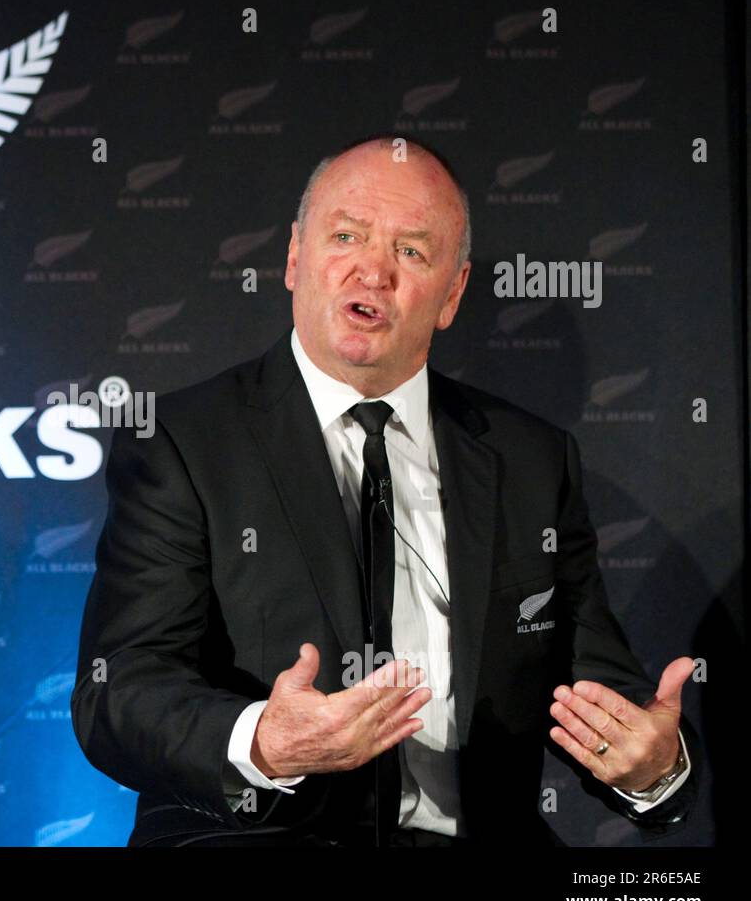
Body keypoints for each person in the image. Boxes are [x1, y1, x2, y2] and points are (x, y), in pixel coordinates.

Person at [69, 133, 700, 847]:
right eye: (346, 236)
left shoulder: (532, 459)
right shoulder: (184, 441)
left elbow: (603, 700)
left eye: (411, 251)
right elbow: (117, 691)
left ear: (451, 295)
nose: (372, 271)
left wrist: (653, 767)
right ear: (293, 258)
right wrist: (262, 742)